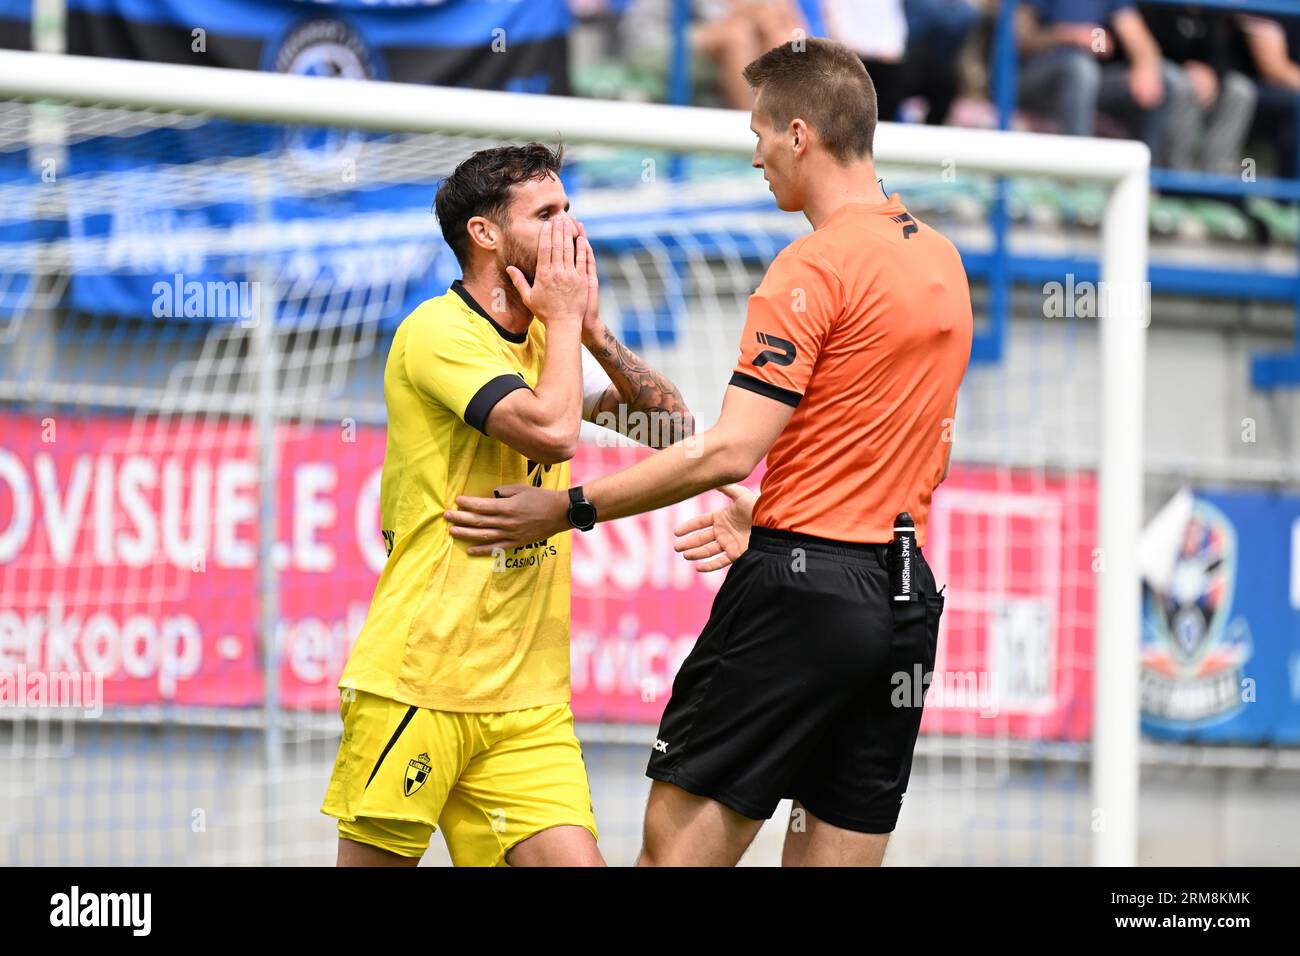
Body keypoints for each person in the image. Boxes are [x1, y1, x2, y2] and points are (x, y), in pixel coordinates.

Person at [446, 39, 972, 867]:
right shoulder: (941, 260)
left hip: (802, 597)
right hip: (902, 599)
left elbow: (725, 449)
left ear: (800, 134)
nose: (755, 151)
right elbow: (888, 448)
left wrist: (567, 508)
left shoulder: (813, 266)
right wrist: (776, 513)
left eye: (762, 130)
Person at [321, 143, 693, 867]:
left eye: (570, 209)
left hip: (528, 701)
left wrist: (592, 333)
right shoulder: (437, 331)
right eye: (548, 214)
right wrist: (561, 320)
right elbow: (554, 434)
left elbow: (672, 428)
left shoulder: (547, 345)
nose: (571, 230)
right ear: (485, 234)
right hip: (420, 681)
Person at [1017, 0, 1187, 166]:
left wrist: (1144, 67)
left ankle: (1148, 177)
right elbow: (1021, 39)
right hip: (1031, 80)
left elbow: (1138, 43)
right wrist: (1069, 35)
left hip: (1086, 81)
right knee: (1079, 69)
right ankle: (1079, 171)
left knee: (1167, 78)